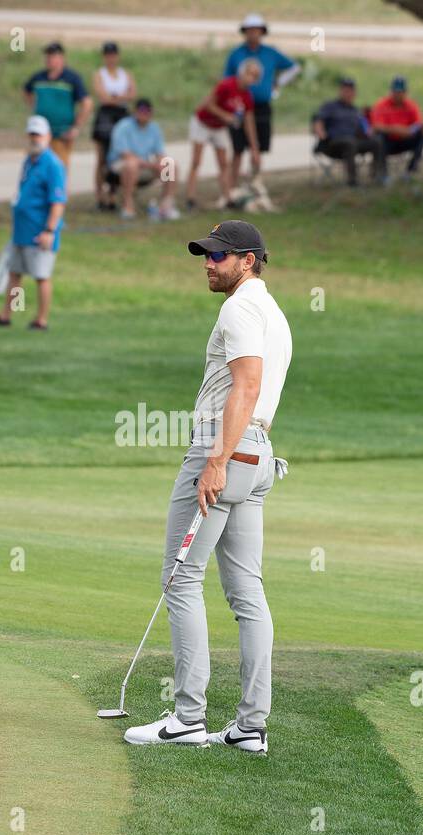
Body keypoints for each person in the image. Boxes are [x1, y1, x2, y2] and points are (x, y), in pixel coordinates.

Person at [123, 220, 291, 755]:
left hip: (226, 448)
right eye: (205, 254)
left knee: (180, 577)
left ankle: (189, 717)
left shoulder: (239, 307)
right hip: (259, 454)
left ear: (248, 260)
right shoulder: (273, 311)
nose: (208, 263)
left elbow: (248, 383)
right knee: (247, 591)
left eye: (219, 256)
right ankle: (249, 726)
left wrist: (216, 459)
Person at [0, 115, 66, 331]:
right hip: (21, 230)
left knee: (41, 276)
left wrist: (49, 230)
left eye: (38, 135)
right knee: (15, 273)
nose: (34, 139)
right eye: (31, 134)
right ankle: (10, 314)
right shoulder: (29, 161)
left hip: (40, 232)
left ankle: (41, 320)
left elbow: (58, 202)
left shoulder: (53, 165)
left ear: (48, 137)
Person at [222, 13, 299, 196]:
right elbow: (227, 79)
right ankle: (232, 189)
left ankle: (253, 185)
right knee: (239, 148)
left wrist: (278, 83)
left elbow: (294, 67)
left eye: (256, 30)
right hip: (240, 107)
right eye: (249, 30)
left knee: (258, 149)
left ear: (262, 32)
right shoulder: (237, 53)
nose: (253, 34)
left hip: (262, 106)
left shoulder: (270, 52)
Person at [185, 58, 261, 210]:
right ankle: (190, 198)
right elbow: (207, 104)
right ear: (242, 72)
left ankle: (228, 199)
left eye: (255, 76)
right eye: (249, 73)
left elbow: (249, 122)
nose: (250, 78)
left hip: (219, 127)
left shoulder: (247, 97)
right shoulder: (227, 85)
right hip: (203, 122)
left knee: (223, 163)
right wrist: (225, 115)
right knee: (196, 161)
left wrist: (254, 148)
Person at [23, 42, 90, 171]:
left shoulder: (71, 78)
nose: (49, 59)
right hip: (39, 133)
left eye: (53, 56)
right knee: (36, 167)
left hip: (61, 133)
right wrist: (35, 107)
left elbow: (86, 103)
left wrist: (76, 127)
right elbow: (26, 91)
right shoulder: (39, 77)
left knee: (59, 169)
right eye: (47, 56)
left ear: (61, 58)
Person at [108, 98, 178, 221]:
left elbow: (159, 152)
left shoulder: (154, 128)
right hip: (120, 164)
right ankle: (128, 205)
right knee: (131, 164)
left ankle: (166, 205)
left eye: (148, 111)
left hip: (144, 165)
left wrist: (161, 162)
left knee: (170, 165)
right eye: (141, 111)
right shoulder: (123, 126)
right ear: (135, 112)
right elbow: (126, 155)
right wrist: (152, 165)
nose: (144, 114)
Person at [311, 76, 381, 187]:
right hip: (332, 143)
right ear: (340, 91)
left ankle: (376, 176)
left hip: (353, 142)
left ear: (354, 93)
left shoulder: (356, 111)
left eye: (351, 91)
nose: (348, 93)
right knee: (350, 142)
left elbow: (364, 129)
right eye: (345, 90)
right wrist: (320, 133)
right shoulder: (330, 106)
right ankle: (352, 181)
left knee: (377, 141)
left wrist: (369, 131)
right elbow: (318, 120)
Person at [92, 41, 134, 211]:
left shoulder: (126, 74)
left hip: (122, 115)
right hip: (105, 116)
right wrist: (119, 97)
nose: (111, 58)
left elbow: (132, 94)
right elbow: (102, 97)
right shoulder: (99, 74)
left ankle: (113, 193)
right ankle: (99, 194)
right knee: (102, 157)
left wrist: (115, 97)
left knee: (118, 156)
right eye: (108, 55)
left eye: (113, 55)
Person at [370, 74, 423, 183]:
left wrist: (410, 131)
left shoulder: (411, 105)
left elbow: (419, 124)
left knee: (421, 137)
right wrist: (395, 129)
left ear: (405, 92)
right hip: (388, 142)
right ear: (391, 91)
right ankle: (383, 174)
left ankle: (410, 172)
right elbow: (376, 126)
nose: (398, 95)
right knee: (378, 138)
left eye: (401, 92)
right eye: (395, 91)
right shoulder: (382, 104)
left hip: (405, 139)